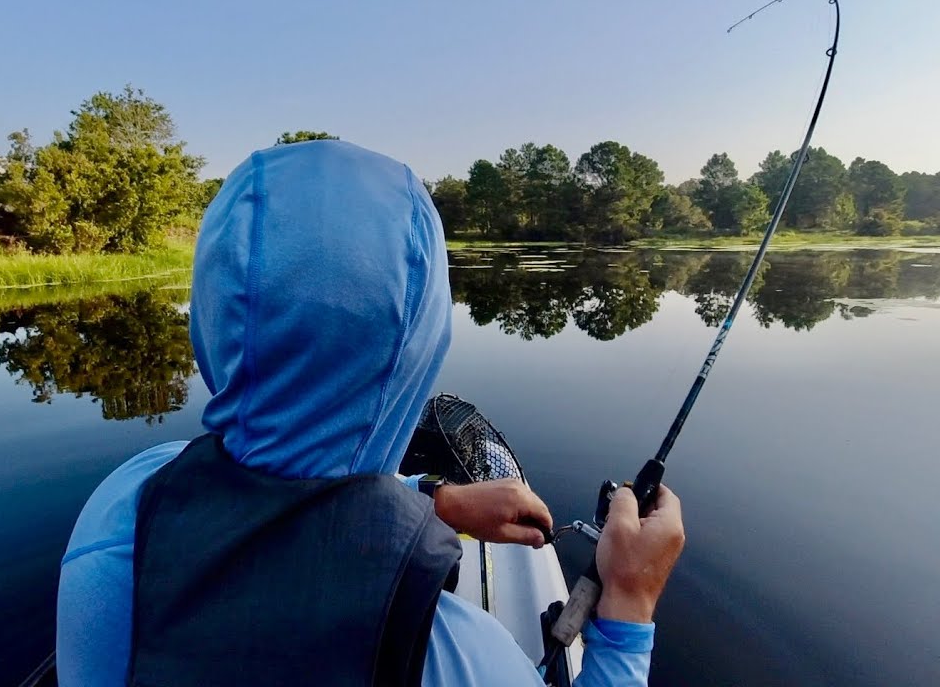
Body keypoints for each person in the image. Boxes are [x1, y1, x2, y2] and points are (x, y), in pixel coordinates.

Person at [56, 140, 685, 686]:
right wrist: (629, 603)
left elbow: (278, 499)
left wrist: (431, 500)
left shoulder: (119, 517)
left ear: (211, 314)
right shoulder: (461, 656)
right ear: (422, 342)